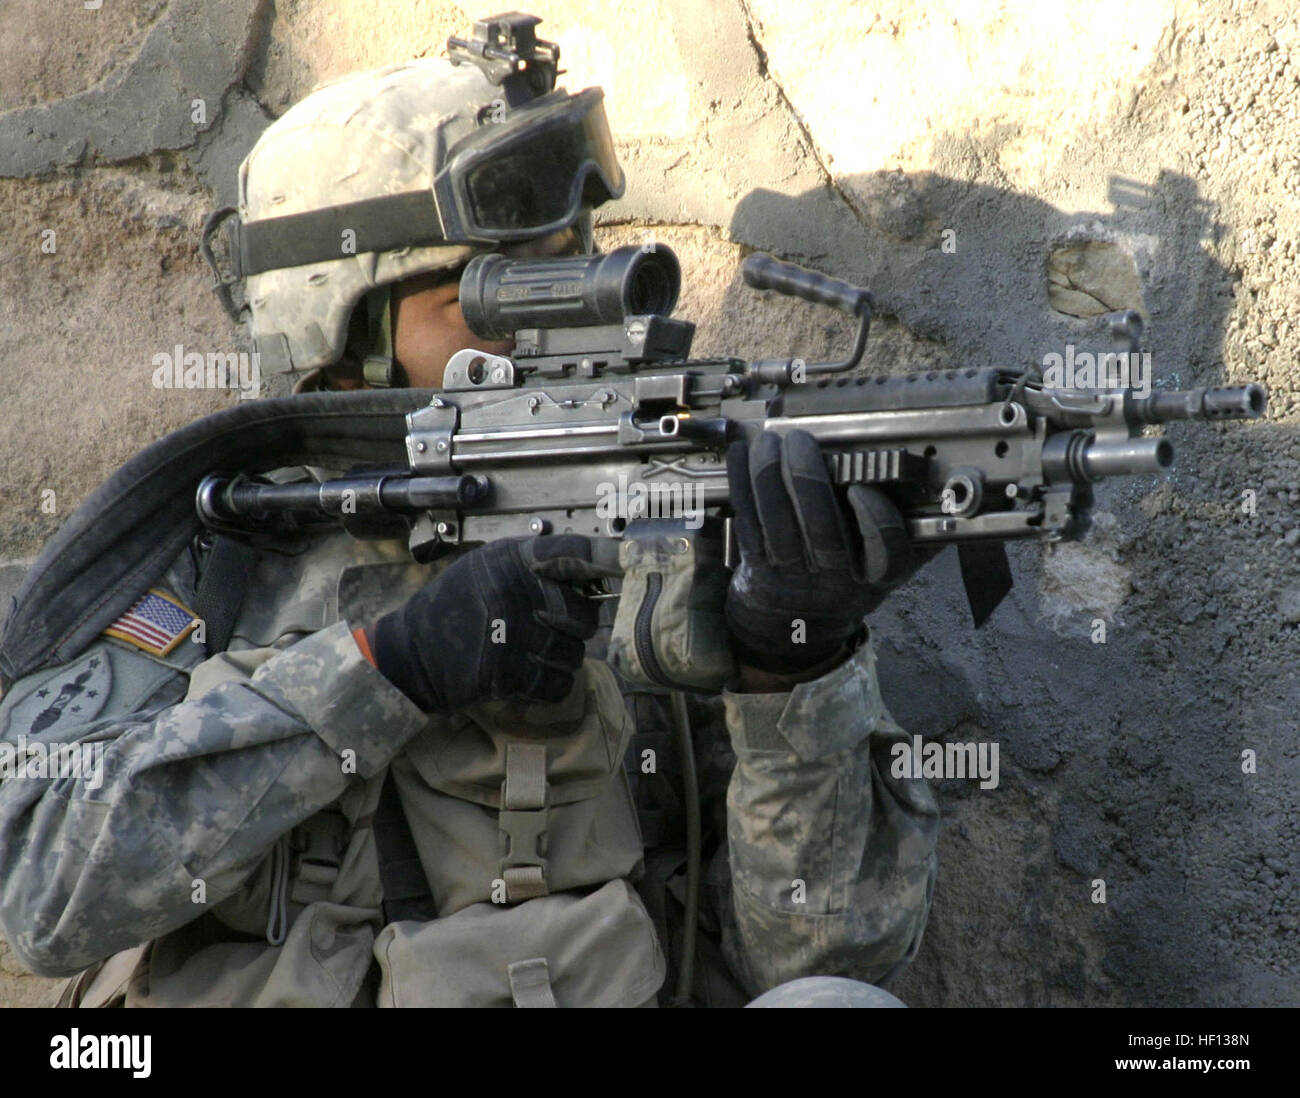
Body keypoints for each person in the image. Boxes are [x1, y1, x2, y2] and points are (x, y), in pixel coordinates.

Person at [0, 17, 939, 1007]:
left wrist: (786, 667)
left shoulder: (652, 526)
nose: (566, 327)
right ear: (343, 321)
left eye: (577, 268)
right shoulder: (219, 551)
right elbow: (41, 897)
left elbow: (824, 955)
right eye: (499, 295)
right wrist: (388, 668)